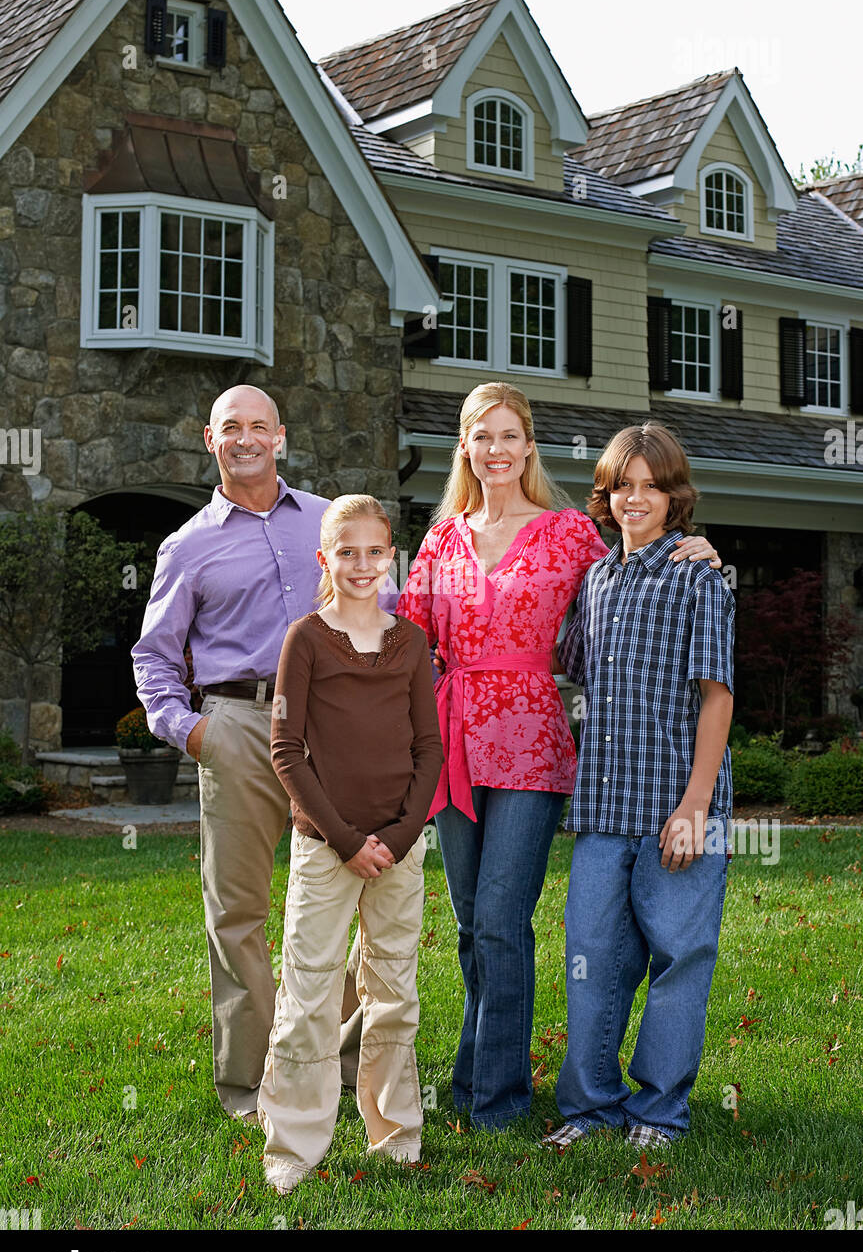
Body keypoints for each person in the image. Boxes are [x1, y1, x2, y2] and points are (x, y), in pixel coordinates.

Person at [397, 383, 722, 1133]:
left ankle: (501, 1102)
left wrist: (696, 545)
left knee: (504, 918)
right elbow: (408, 641)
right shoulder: (441, 538)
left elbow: (638, 555)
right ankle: (473, 1080)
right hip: (453, 743)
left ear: (529, 446)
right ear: (465, 448)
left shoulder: (568, 532)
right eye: (484, 437)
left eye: (511, 436)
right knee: (470, 927)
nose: (497, 451)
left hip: (532, 742)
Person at [131, 386, 395, 1123]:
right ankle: (249, 1084)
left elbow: (386, 610)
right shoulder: (185, 545)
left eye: (258, 426)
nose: (245, 438)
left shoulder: (329, 520)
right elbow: (153, 656)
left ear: (279, 436)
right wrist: (190, 731)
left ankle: (339, 1060)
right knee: (239, 909)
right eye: (230, 428)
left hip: (337, 728)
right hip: (239, 726)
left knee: (351, 894)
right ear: (208, 439)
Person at [544, 422, 734, 1150]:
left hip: (679, 807)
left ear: (674, 496)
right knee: (592, 956)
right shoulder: (596, 579)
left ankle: (658, 1113)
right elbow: (570, 664)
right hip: (603, 805)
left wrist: (693, 806)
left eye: (651, 486)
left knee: (679, 959)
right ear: (606, 493)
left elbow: (715, 696)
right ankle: (591, 1108)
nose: (636, 498)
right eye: (622, 485)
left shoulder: (698, 577)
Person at [258, 496, 443, 1194]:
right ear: (324, 559)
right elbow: (286, 748)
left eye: (374, 551)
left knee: (393, 989)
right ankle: (292, 1146)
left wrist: (397, 837)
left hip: (400, 846)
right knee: (308, 992)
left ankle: (394, 1134)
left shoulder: (410, 642)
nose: (361, 565)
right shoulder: (305, 639)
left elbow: (428, 746)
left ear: (390, 555)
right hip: (324, 846)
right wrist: (343, 840)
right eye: (347, 551)